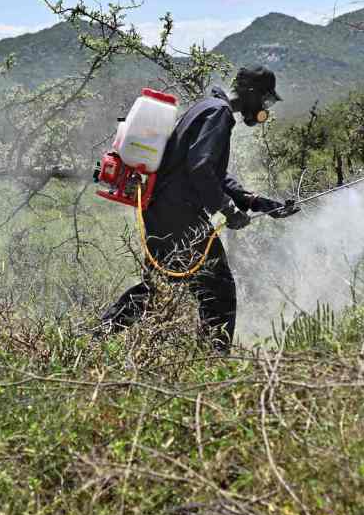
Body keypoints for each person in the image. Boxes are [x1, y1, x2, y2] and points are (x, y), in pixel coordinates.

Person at [100, 66, 299, 349]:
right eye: (265, 100)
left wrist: (260, 204)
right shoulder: (218, 114)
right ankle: (214, 360)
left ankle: (94, 337)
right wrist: (228, 211)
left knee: (156, 290)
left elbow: (213, 173)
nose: (264, 107)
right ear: (252, 93)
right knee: (219, 291)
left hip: (162, 213)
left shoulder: (207, 107)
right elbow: (200, 168)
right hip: (179, 215)